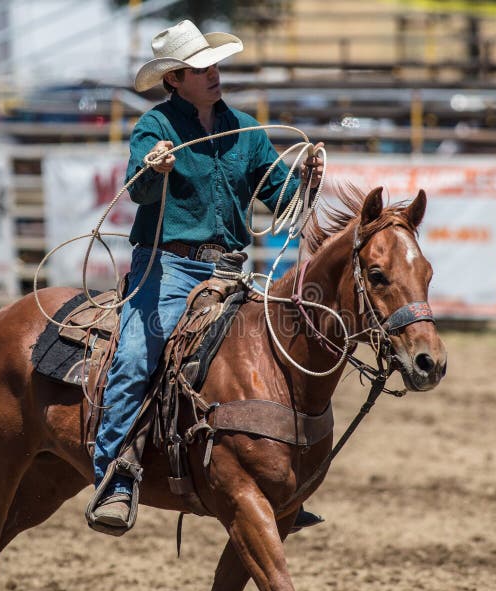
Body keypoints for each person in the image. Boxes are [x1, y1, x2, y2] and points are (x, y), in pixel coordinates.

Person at [89, 19, 324, 534]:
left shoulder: (246, 131)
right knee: (135, 355)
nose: (213, 73)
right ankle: (115, 474)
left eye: (214, 64)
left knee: (286, 351)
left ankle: (281, 478)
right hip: (168, 266)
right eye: (200, 68)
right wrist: (153, 168)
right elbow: (140, 192)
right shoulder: (155, 127)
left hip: (231, 269)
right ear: (174, 78)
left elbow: (283, 199)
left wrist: (304, 183)